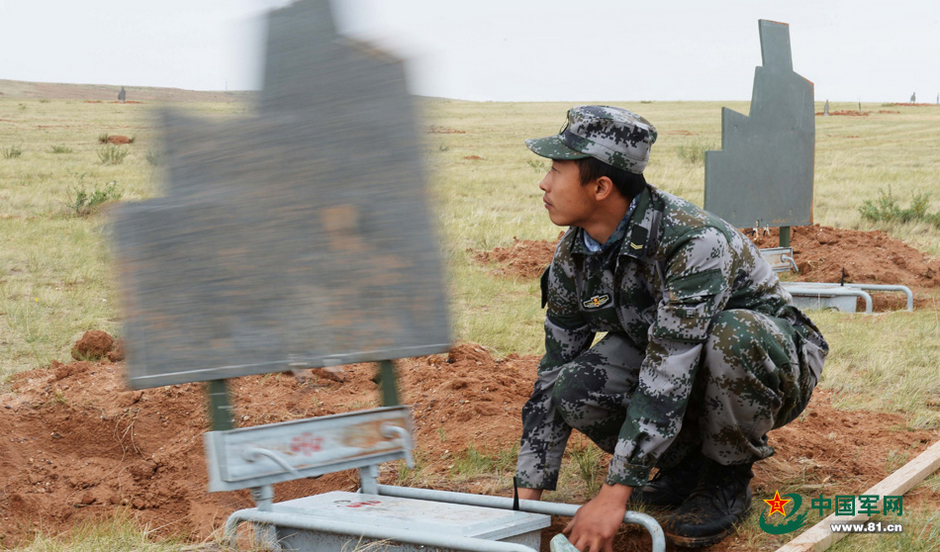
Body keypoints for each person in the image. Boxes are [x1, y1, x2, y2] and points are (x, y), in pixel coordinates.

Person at [514, 106, 828, 550]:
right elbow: (553, 373)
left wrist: (614, 492)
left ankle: (725, 476)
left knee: (729, 336)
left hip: (769, 363)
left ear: (601, 187)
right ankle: (684, 471)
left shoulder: (693, 241)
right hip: (677, 361)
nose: (543, 184)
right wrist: (522, 506)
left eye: (555, 170)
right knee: (574, 386)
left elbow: (669, 368)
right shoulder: (573, 255)